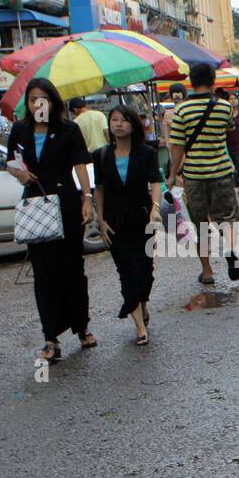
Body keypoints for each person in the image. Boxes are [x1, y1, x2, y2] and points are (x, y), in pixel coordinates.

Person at [6, 78, 96, 361]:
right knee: (44, 274)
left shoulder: (69, 129)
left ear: (53, 101)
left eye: (43, 98)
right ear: (28, 103)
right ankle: (50, 338)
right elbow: (11, 162)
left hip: (66, 205)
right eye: (33, 99)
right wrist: (18, 173)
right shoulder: (20, 130)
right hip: (35, 206)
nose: (38, 104)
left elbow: (80, 164)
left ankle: (81, 328)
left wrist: (87, 198)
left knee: (72, 268)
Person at [93, 105, 162, 346]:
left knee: (144, 270)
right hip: (114, 224)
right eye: (114, 120)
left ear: (133, 124)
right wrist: (100, 219)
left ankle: (142, 302)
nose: (118, 124)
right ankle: (140, 327)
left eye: (123, 120)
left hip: (142, 220)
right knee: (126, 272)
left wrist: (155, 207)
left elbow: (155, 182)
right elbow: (99, 190)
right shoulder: (101, 155)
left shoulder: (146, 153)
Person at [169, 62, 239, 285]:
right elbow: (228, 132)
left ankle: (208, 272)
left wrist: (172, 175)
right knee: (227, 219)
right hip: (221, 172)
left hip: (194, 176)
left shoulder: (181, 110)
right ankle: (230, 251)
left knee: (199, 224)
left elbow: (178, 147)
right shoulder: (224, 107)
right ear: (213, 82)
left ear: (191, 81)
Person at [159, 82, 186, 179]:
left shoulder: (187, 111)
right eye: (174, 93)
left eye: (179, 92)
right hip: (176, 152)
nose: (176, 95)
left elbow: (167, 139)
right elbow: (167, 138)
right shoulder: (167, 114)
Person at [224, 90, 239, 193]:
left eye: (234, 99)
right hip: (229, 144)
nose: (233, 101)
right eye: (230, 99)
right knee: (236, 165)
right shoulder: (225, 115)